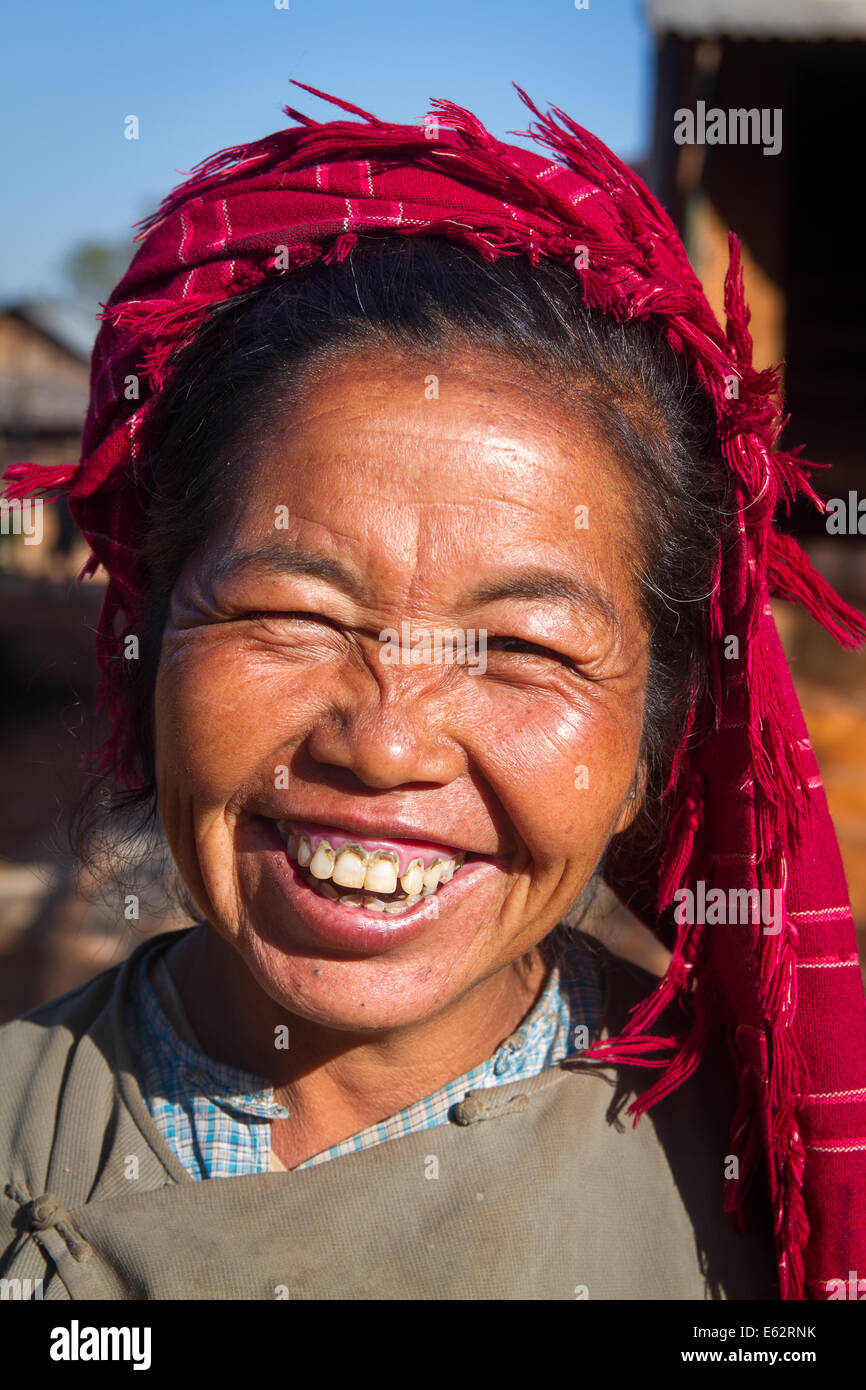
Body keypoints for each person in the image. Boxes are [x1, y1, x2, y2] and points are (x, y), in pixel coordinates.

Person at [1, 82, 864, 1301]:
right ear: (149, 641)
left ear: (650, 751)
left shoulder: (752, 1200)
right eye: (293, 615)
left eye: (522, 648)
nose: (386, 740)